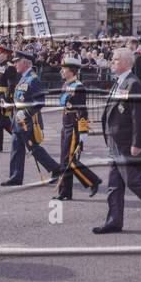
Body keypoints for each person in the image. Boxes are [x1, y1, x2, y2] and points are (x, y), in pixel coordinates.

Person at [94, 48, 141, 234]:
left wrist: (137, 143)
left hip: (126, 141)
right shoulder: (120, 82)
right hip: (114, 140)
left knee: (133, 181)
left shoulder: (133, 83)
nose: (112, 62)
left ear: (127, 62)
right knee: (114, 184)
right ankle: (114, 221)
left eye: (116, 60)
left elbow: (139, 117)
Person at [0, 51, 60, 187]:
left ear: (25, 62)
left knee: (34, 149)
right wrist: (10, 105)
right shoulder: (22, 78)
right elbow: (21, 99)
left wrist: (25, 113)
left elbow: (39, 102)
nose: (14, 64)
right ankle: (15, 176)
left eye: (17, 61)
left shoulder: (33, 79)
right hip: (18, 120)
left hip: (28, 122)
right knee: (16, 148)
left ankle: (57, 169)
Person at [53, 56, 101, 201]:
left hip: (74, 125)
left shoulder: (78, 86)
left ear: (71, 70)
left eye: (64, 68)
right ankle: (65, 192)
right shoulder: (66, 84)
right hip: (65, 124)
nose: (61, 71)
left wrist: (83, 131)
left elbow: (82, 110)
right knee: (64, 160)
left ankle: (93, 180)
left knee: (70, 160)